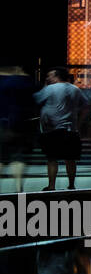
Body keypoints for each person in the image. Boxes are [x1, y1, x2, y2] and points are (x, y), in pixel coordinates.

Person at [33, 68, 88, 191]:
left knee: (52, 159)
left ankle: (51, 185)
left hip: (52, 130)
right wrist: (79, 123)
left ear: (57, 76)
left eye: (50, 75)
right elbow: (86, 106)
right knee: (70, 159)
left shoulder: (50, 88)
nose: (48, 78)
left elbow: (37, 99)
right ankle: (71, 185)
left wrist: (45, 86)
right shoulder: (76, 89)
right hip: (71, 130)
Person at [0, 62, 37, 190]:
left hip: (2, 123)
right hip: (22, 124)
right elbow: (34, 103)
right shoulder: (27, 82)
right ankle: (18, 188)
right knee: (19, 157)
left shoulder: (3, 82)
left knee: (2, 157)